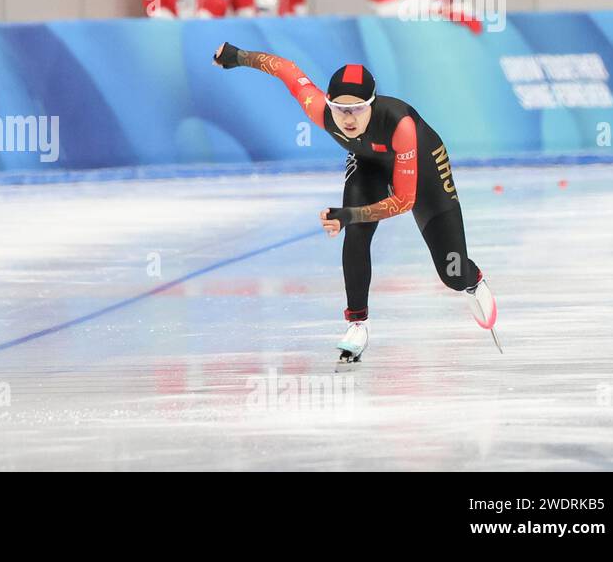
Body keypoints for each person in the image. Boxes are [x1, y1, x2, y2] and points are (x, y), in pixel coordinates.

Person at [211, 42, 499, 363]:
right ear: (329, 104)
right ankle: (357, 323)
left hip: (424, 166)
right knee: (357, 233)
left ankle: (471, 280)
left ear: (372, 106)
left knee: (452, 273)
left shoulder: (400, 125)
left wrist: (349, 213)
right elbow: (285, 69)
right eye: (340, 109)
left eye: (358, 109)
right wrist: (238, 57)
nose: (348, 119)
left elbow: (404, 200)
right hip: (369, 163)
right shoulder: (318, 108)